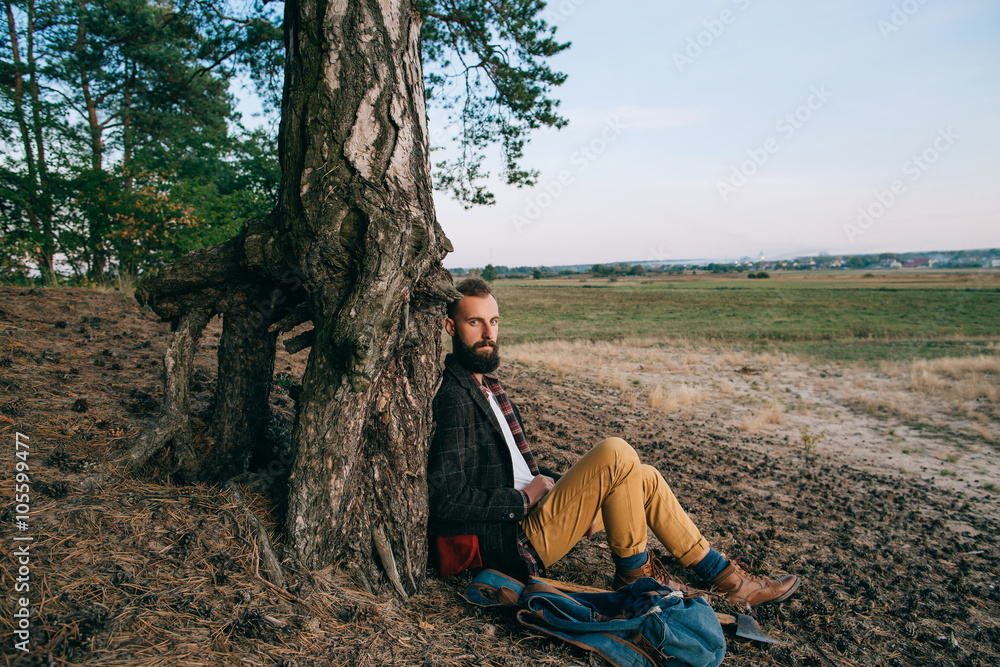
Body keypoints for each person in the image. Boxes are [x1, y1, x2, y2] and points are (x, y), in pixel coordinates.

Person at [427, 278, 800, 607]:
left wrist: (571, 493)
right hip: (509, 541)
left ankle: (729, 579)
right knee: (616, 451)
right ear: (450, 326)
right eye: (475, 322)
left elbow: (519, 468)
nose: (488, 333)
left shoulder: (490, 386)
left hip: (535, 515)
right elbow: (445, 499)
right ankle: (635, 580)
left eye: (493, 322)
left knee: (644, 476)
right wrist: (525, 499)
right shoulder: (453, 396)